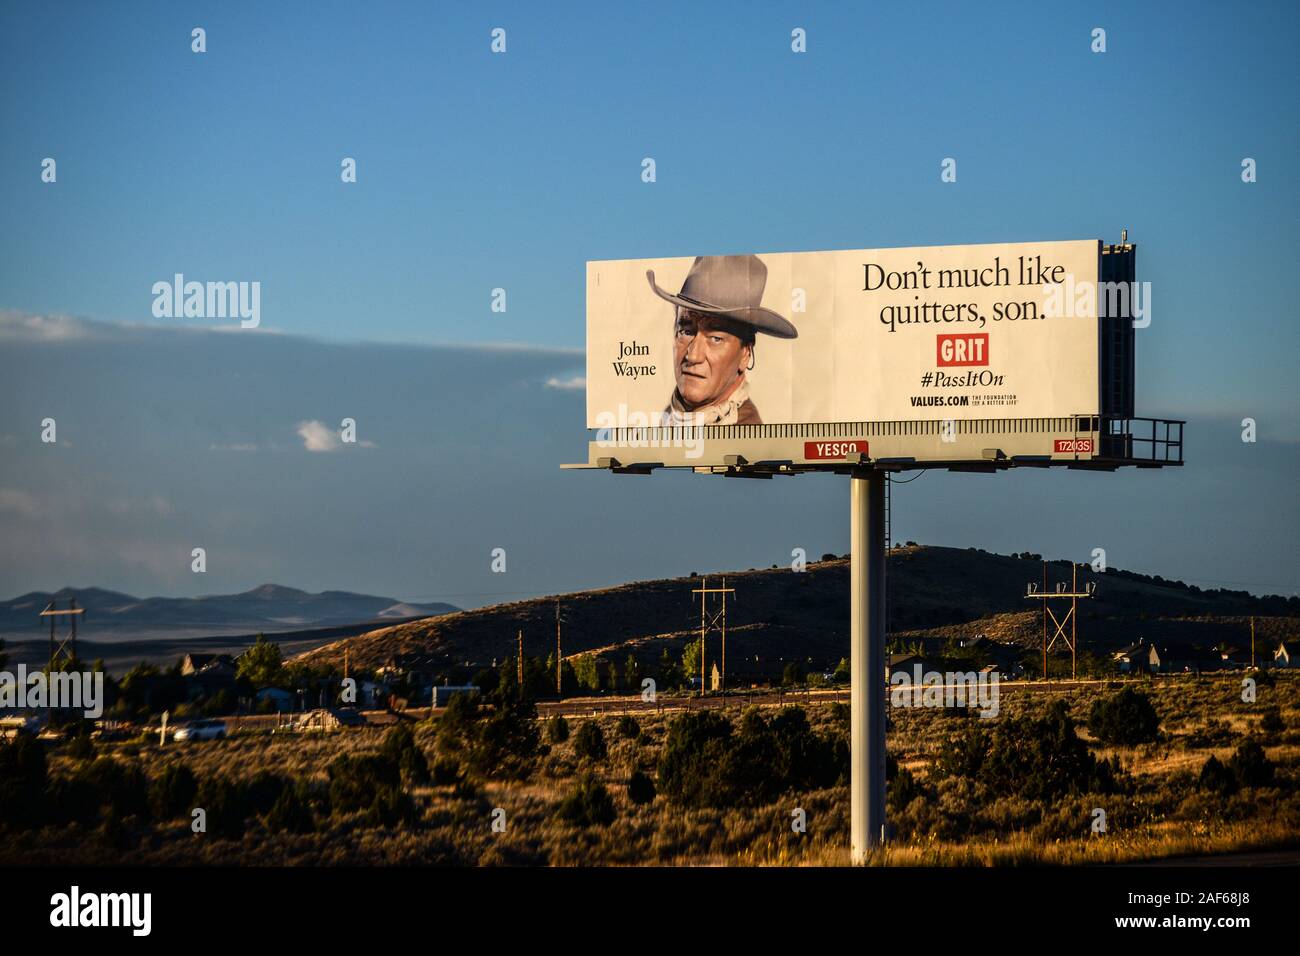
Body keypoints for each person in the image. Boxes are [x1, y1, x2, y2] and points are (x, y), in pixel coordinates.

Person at [646, 254, 798, 426]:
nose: (693, 356)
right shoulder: (670, 417)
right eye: (686, 331)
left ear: (745, 354)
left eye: (715, 338)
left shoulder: (747, 440)